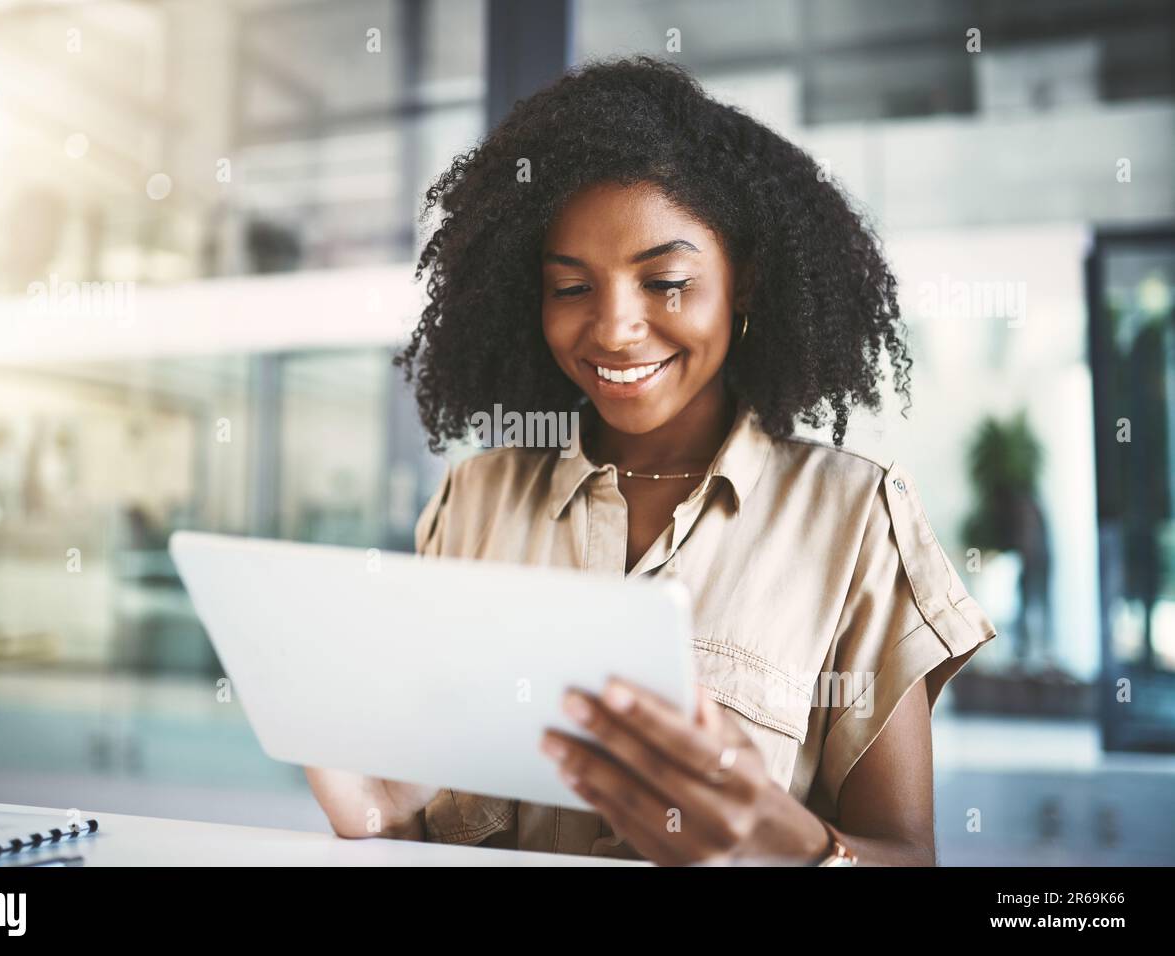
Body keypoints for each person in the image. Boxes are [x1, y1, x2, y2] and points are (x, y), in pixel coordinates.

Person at [305, 56, 996, 866]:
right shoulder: (475, 501)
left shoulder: (852, 519)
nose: (614, 329)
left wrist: (793, 848)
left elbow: (910, 858)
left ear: (744, 287)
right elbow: (430, 826)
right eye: (570, 289)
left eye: (665, 281)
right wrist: (387, 821)